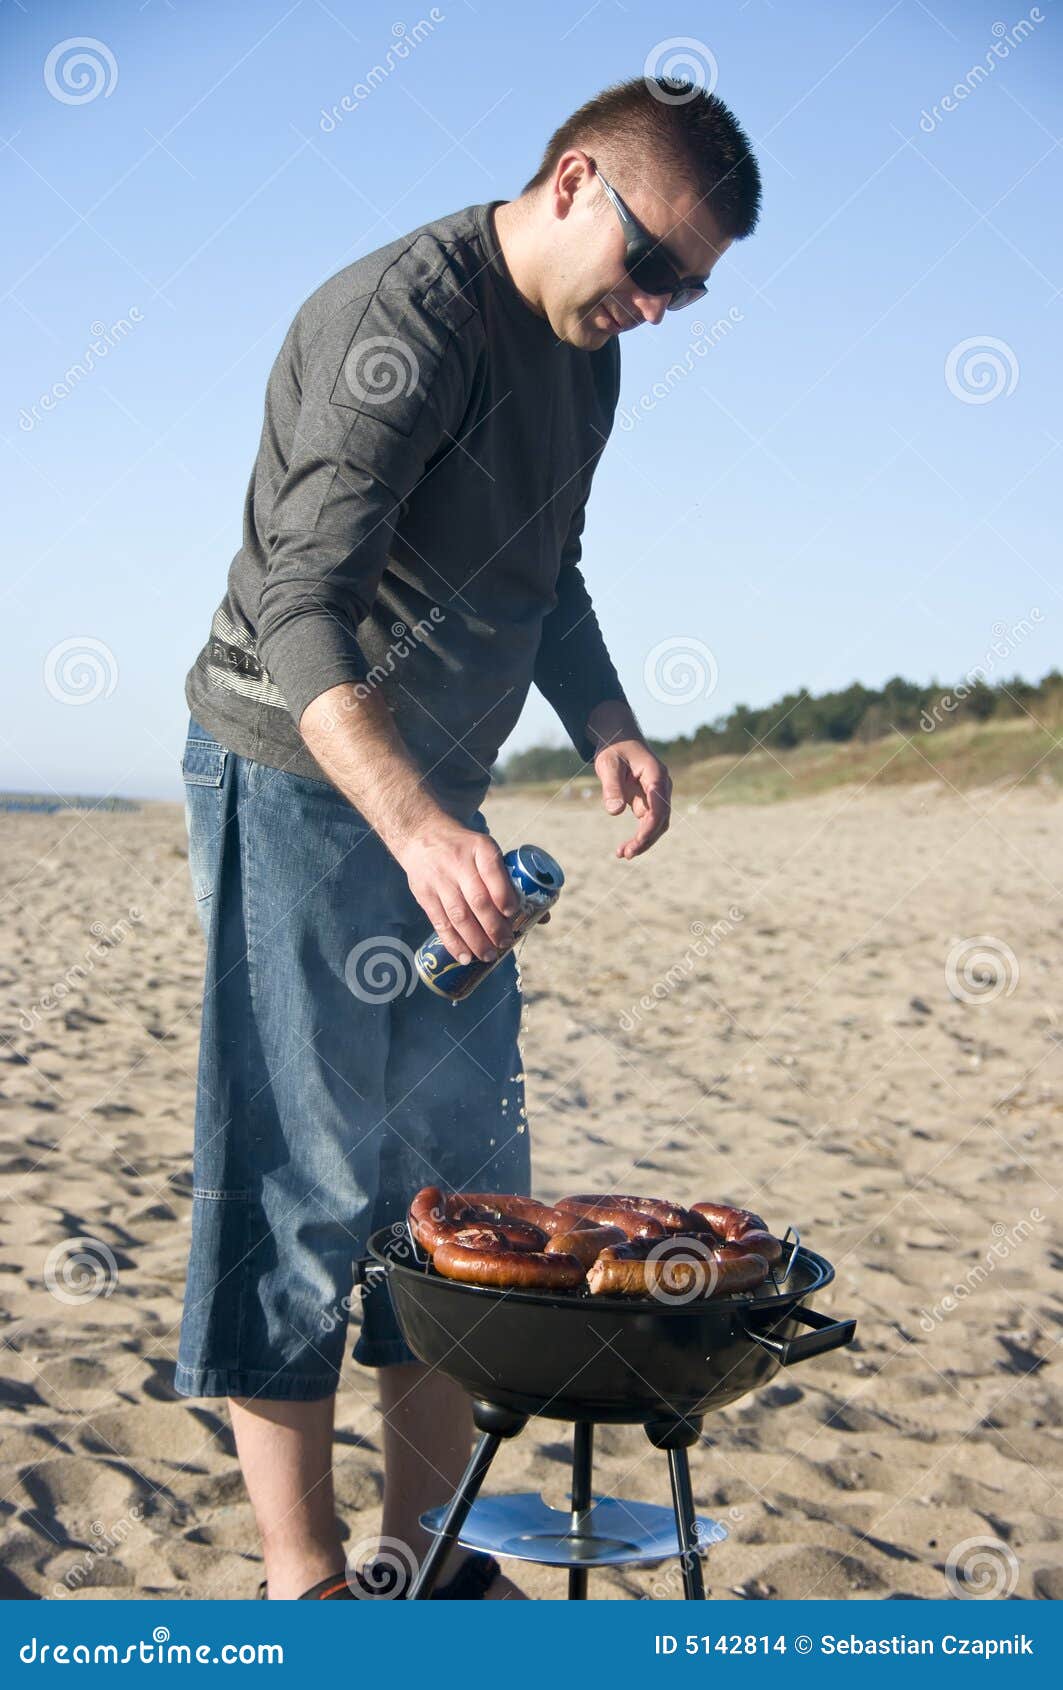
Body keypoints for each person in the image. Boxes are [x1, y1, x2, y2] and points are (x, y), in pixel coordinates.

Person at [174, 73, 761, 1600]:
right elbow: (301, 610)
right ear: (574, 183)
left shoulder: (588, 354)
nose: (658, 307)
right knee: (304, 1181)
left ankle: (421, 1560)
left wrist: (608, 719)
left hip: (446, 805)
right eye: (652, 266)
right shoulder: (407, 325)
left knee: (454, 1187)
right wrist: (424, 822)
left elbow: (546, 572)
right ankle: (307, 1587)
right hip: (301, 781)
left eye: (688, 291)